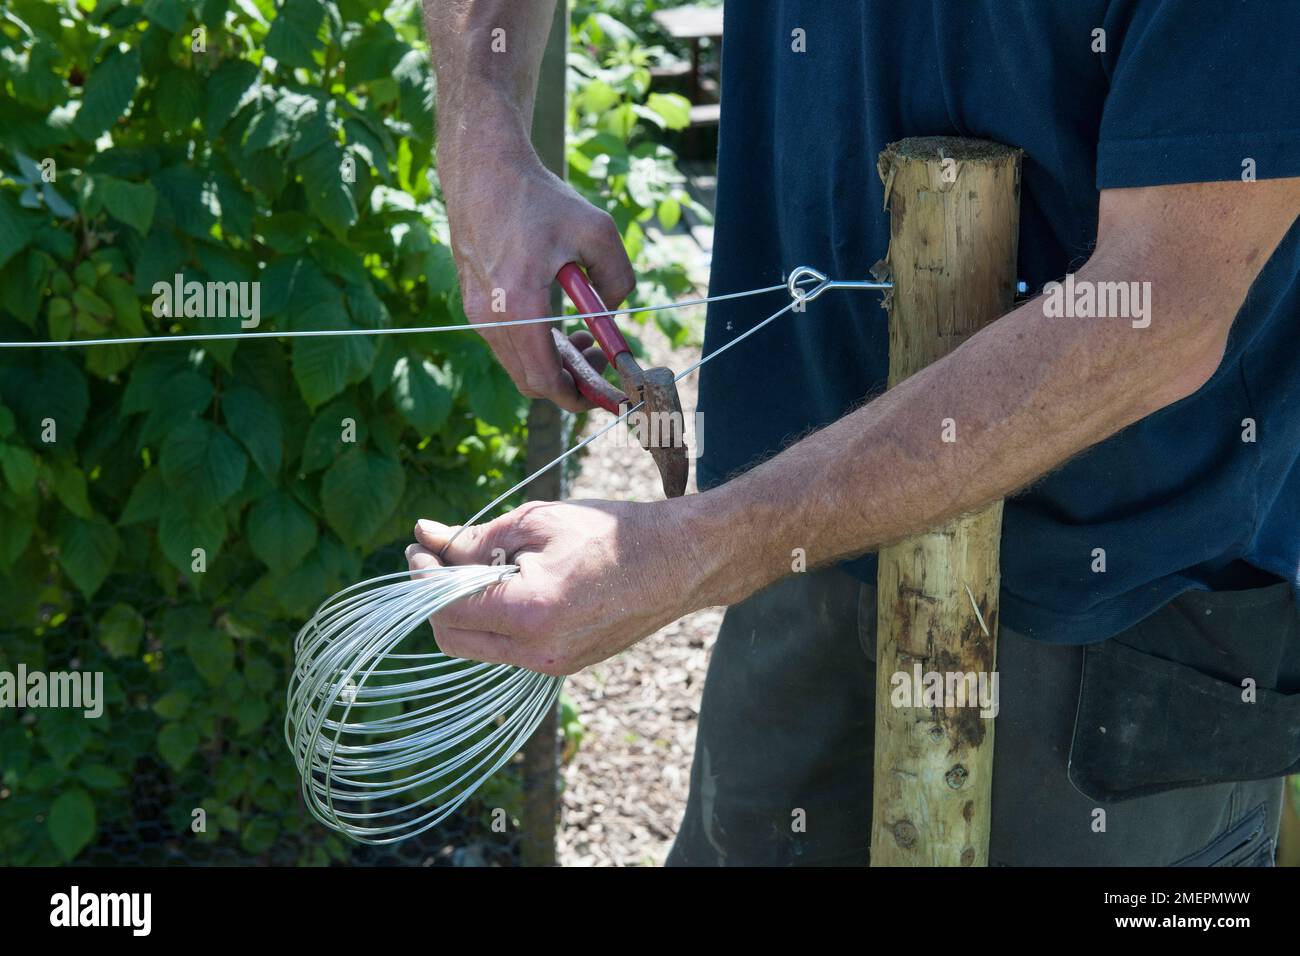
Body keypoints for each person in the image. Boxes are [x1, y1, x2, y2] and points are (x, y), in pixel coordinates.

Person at [415, 0, 1300, 865]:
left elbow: (1160, 311)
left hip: (1123, 608)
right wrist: (486, 146)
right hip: (796, 550)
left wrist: (688, 550)